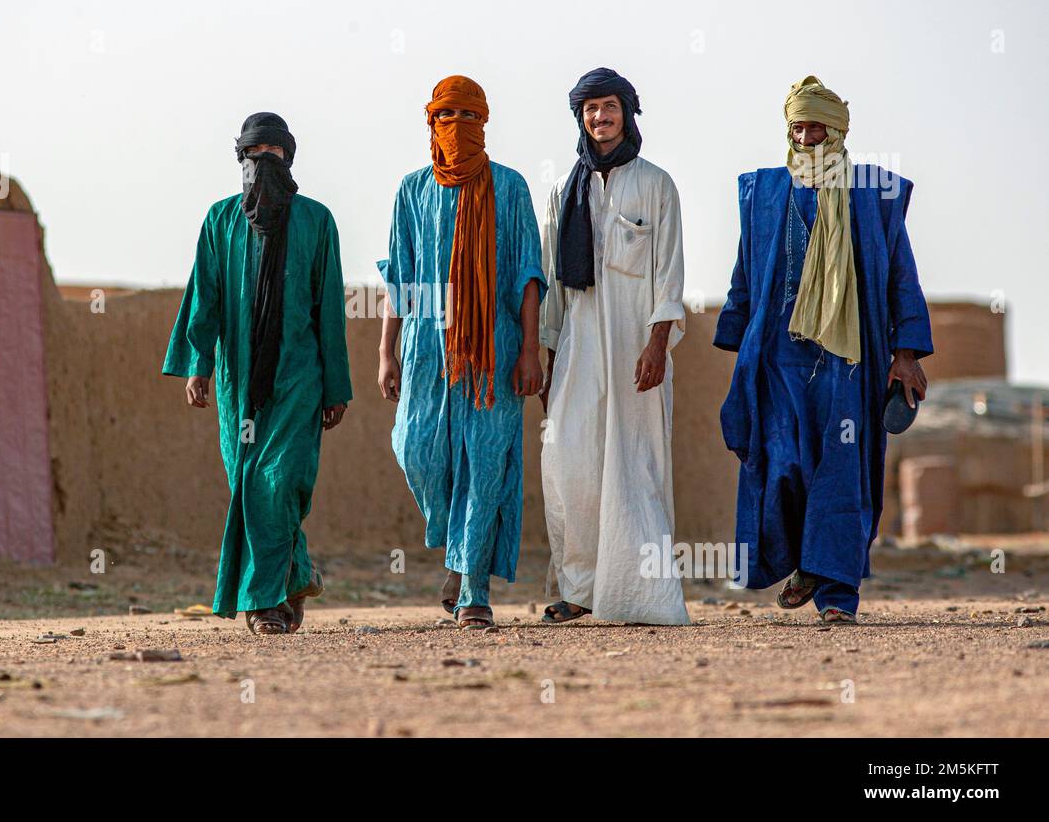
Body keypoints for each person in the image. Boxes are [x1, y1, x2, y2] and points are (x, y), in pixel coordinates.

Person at [714, 76, 931, 624]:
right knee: (782, 463)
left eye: (818, 126)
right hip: (780, 358)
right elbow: (747, 270)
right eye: (799, 126)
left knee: (840, 474)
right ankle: (802, 563)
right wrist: (739, 342)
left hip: (849, 362)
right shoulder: (764, 192)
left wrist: (906, 353)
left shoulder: (869, 193)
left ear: (838, 131)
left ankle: (836, 594)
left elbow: (900, 274)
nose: (808, 136)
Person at [162, 112, 352, 635]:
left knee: (282, 480)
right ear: (240, 159)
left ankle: (263, 602)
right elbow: (205, 297)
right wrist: (196, 366)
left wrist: (335, 386)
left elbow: (329, 308)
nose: (263, 162)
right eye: (254, 154)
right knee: (251, 483)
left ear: (288, 157)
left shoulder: (317, 220)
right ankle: (292, 579)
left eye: (273, 153)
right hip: (237, 382)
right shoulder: (220, 220)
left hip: (298, 378)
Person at [377, 75, 547, 630]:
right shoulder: (411, 190)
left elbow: (527, 275)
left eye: (470, 117)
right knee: (418, 451)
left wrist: (528, 350)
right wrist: (387, 350)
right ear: (432, 123)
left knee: (485, 464)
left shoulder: (511, 186)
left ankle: (473, 589)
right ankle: (457, 551)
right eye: (447, 117)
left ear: (485, 123)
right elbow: (399, 279)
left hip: (494, 350)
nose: (459, 128)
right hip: (426, 347)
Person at [537, 68, 691, 626]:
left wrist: (657, 344)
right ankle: (580, 589)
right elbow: (553, 284)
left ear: (627, 113)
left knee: (635, 462)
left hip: (637, 349)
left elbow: (668, 274)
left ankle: (643, 594)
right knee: (570, 461)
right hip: (578, 346)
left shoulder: (656, 184)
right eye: (589, 110)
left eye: (609, 108)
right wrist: (546, 356)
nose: (599, 119)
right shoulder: (561, 191)